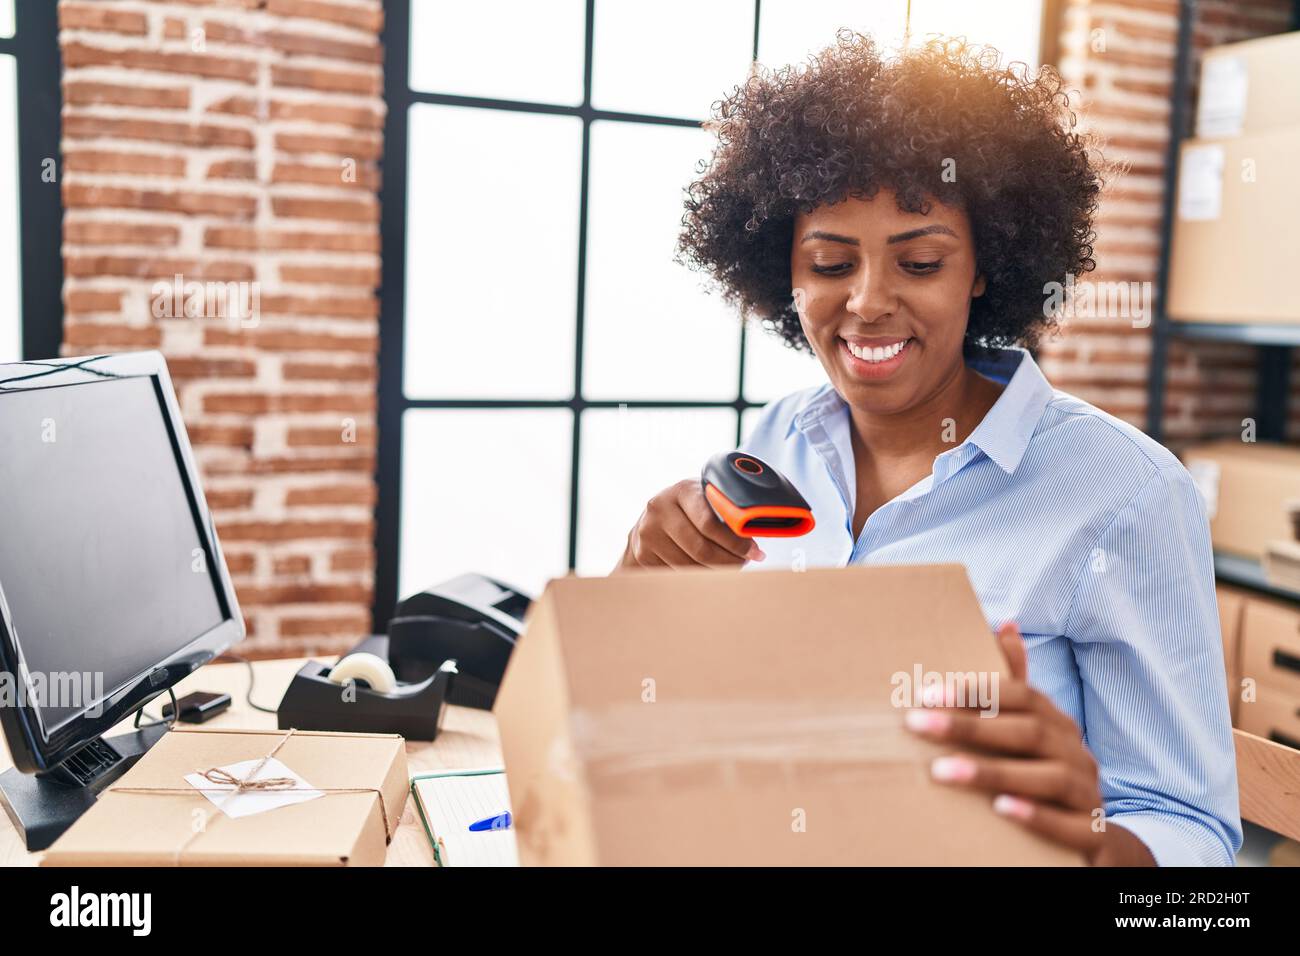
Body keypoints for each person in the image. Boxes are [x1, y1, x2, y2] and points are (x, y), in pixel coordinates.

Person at [614, 31, 1241, 866]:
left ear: (984, 268)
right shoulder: (776, 441)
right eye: (830, 262)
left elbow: (1195, 836)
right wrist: (642, 586)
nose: (868, 303)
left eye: (919, 261)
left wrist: (1095, 846)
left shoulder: (1124, 496)